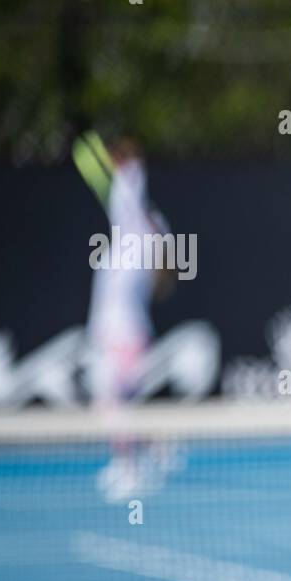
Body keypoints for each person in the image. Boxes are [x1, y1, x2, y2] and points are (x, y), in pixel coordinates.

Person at [83, 136, 175, 501]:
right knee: (115, 408)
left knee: (109, 406)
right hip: (117, 335)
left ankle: (131, 468)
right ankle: (155, 450)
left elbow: (129, 196)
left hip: (124, 337)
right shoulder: (129, 244)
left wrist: (125, 163)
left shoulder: (138, 239)